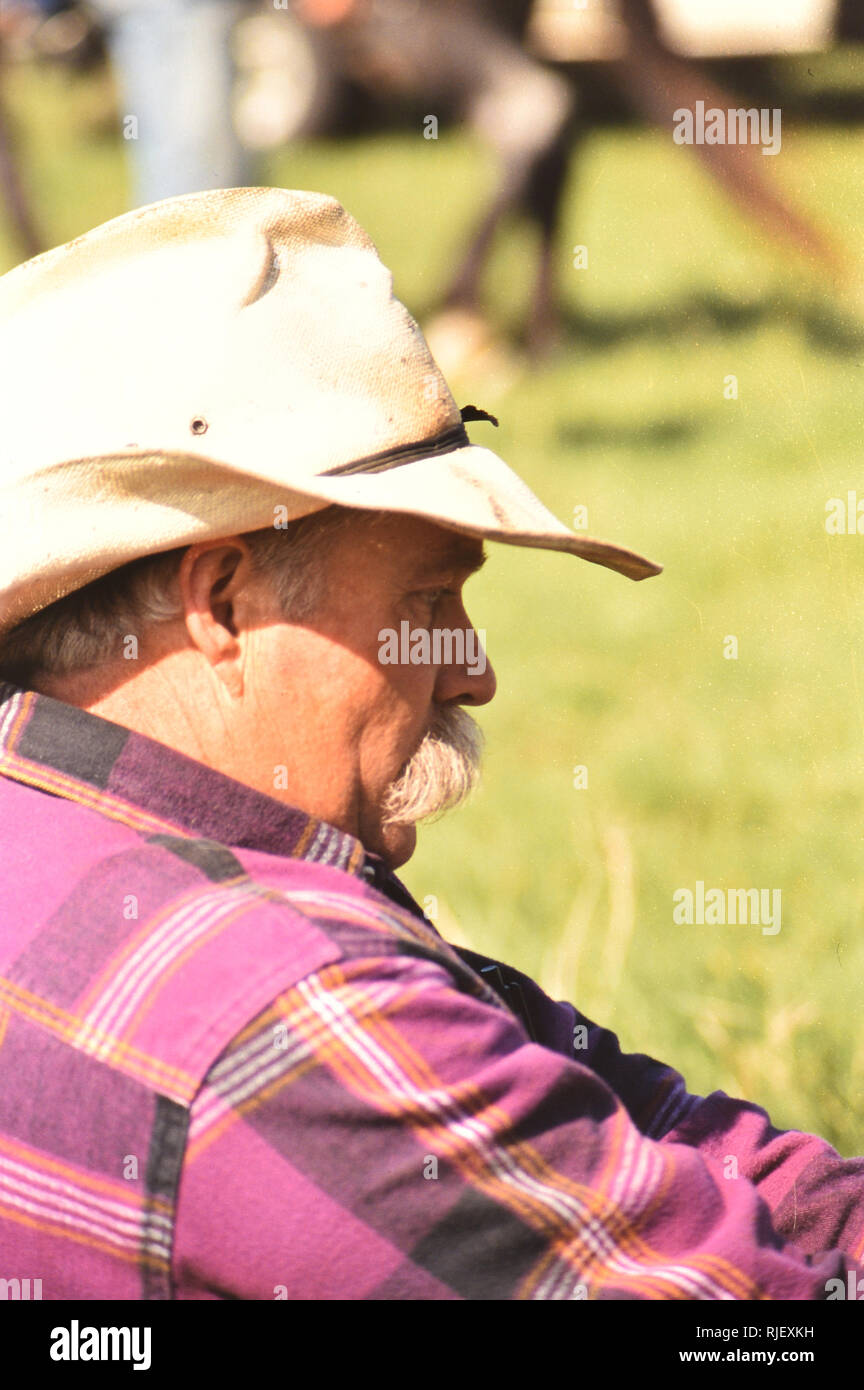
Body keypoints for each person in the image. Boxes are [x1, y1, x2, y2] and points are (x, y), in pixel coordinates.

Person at [0, 186, 860, 1301]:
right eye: (426, 601)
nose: (473, 670)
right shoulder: (289, 1004)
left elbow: (644, 1123)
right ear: (219, 603)